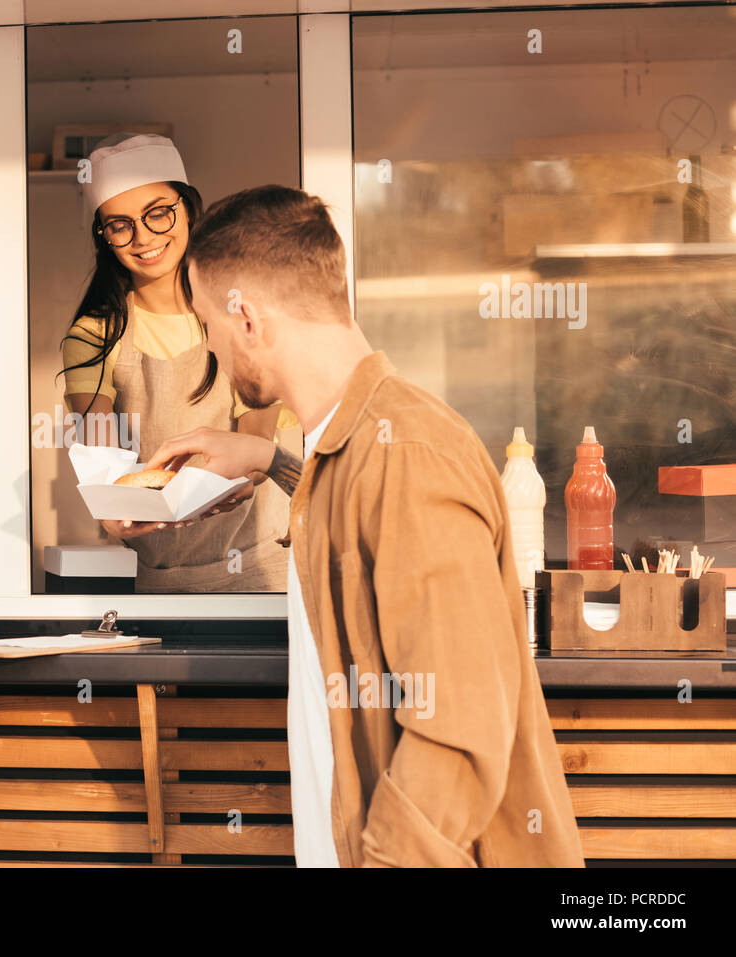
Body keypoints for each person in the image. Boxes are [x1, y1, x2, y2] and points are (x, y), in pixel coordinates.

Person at [145, 186, 583, 867]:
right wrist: (269, 461)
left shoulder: (408, 455)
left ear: (249, 320)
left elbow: (457, 730)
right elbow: (353, 518)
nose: (210, 348)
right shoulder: (351, 450)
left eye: (207, 324)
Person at [60, 133, 296, 592]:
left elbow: (256, 442)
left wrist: (242, 477)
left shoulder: (240, 312)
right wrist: (114, 515)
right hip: (161, 578)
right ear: (103, 236)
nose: (143, 237)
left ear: (187, 208)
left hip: (262, 569)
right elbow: (101, 457)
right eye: (120, 224)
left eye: (158, 212)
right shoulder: (93, 336)